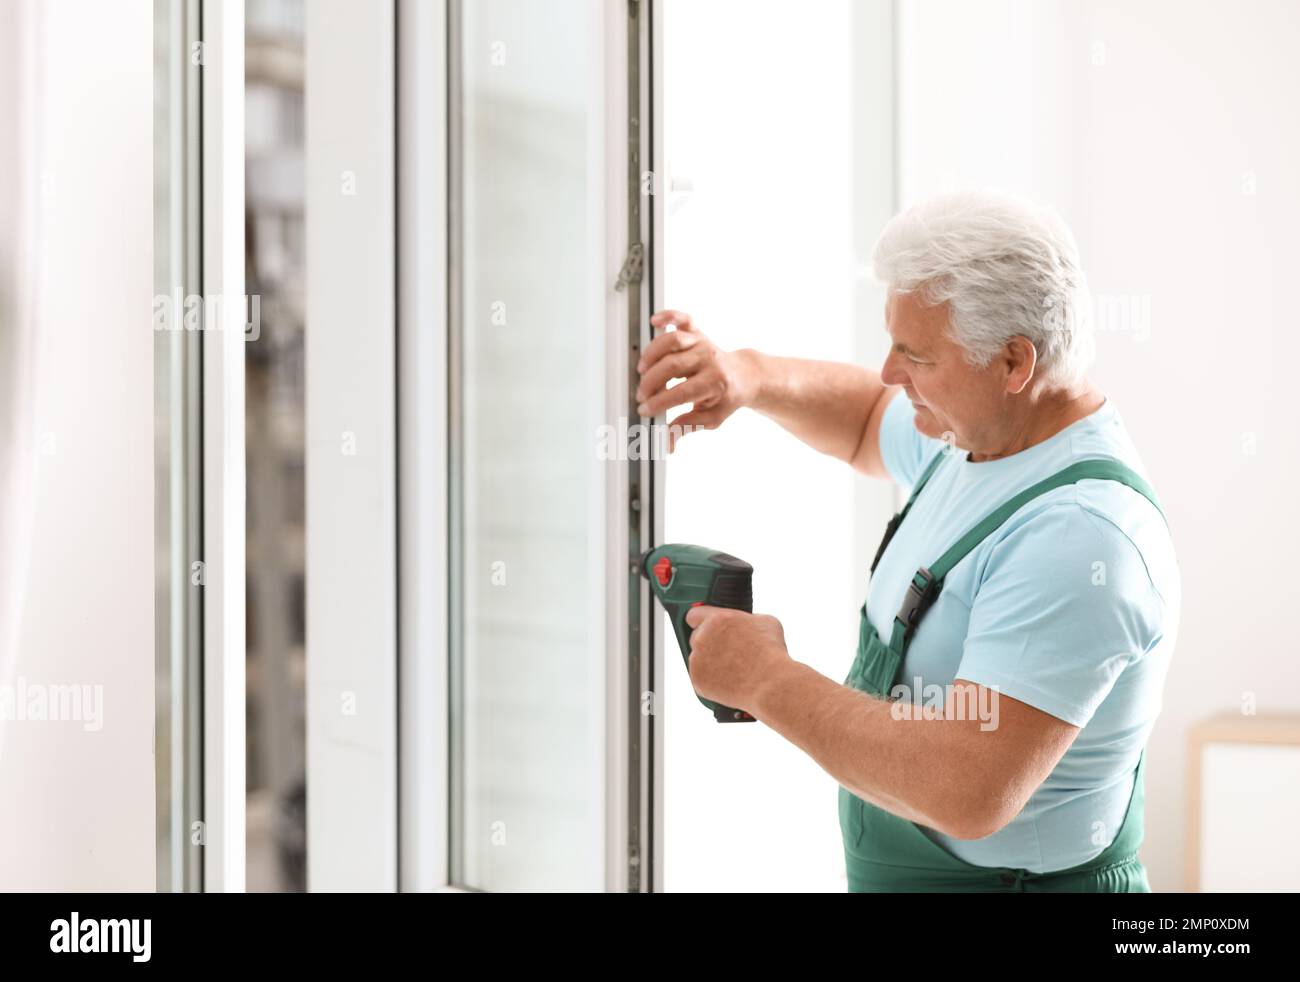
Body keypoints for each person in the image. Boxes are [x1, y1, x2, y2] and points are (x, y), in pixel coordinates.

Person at [635, 190, 1180, 892]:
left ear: (1015, 362)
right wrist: (747, 375)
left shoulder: (1082, 539)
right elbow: (866, 419)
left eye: (915, 355)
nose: (892, 373)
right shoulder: (978, 435)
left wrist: (765, 679)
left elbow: (967, 786)